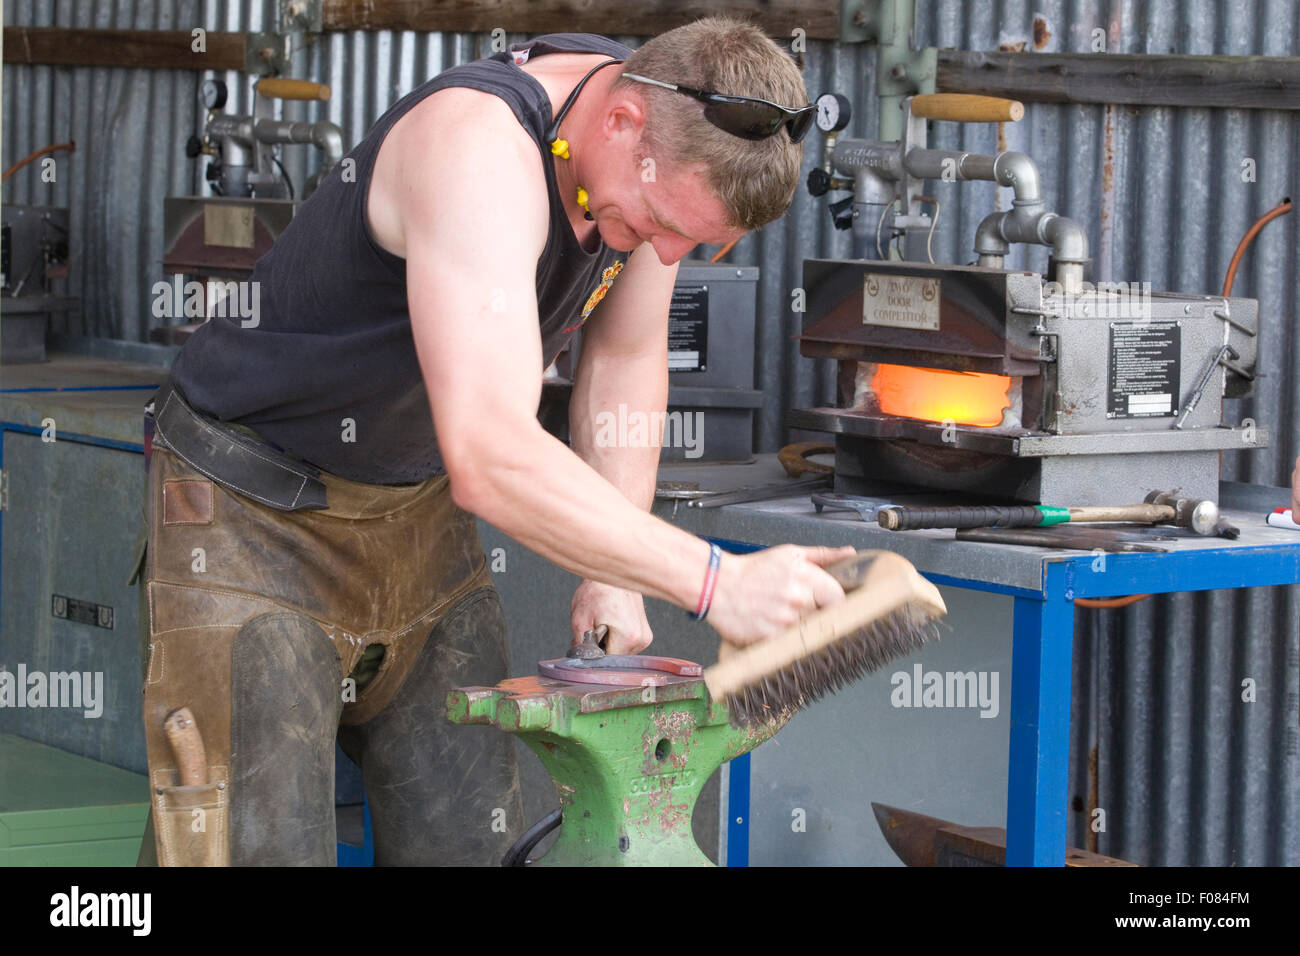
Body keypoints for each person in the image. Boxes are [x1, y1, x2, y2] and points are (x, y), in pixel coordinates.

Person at [137, 16, 854, 866]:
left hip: (415, 515)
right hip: (251, 511)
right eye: (662, 221)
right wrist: (711, 581)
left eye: (692, 241)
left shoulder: (665, 131)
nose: (667, 252)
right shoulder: (477, 149)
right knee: (253, 849)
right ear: (621, 122)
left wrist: (614, 575)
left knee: (471, 840)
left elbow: (623, 359)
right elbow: (489, 452)